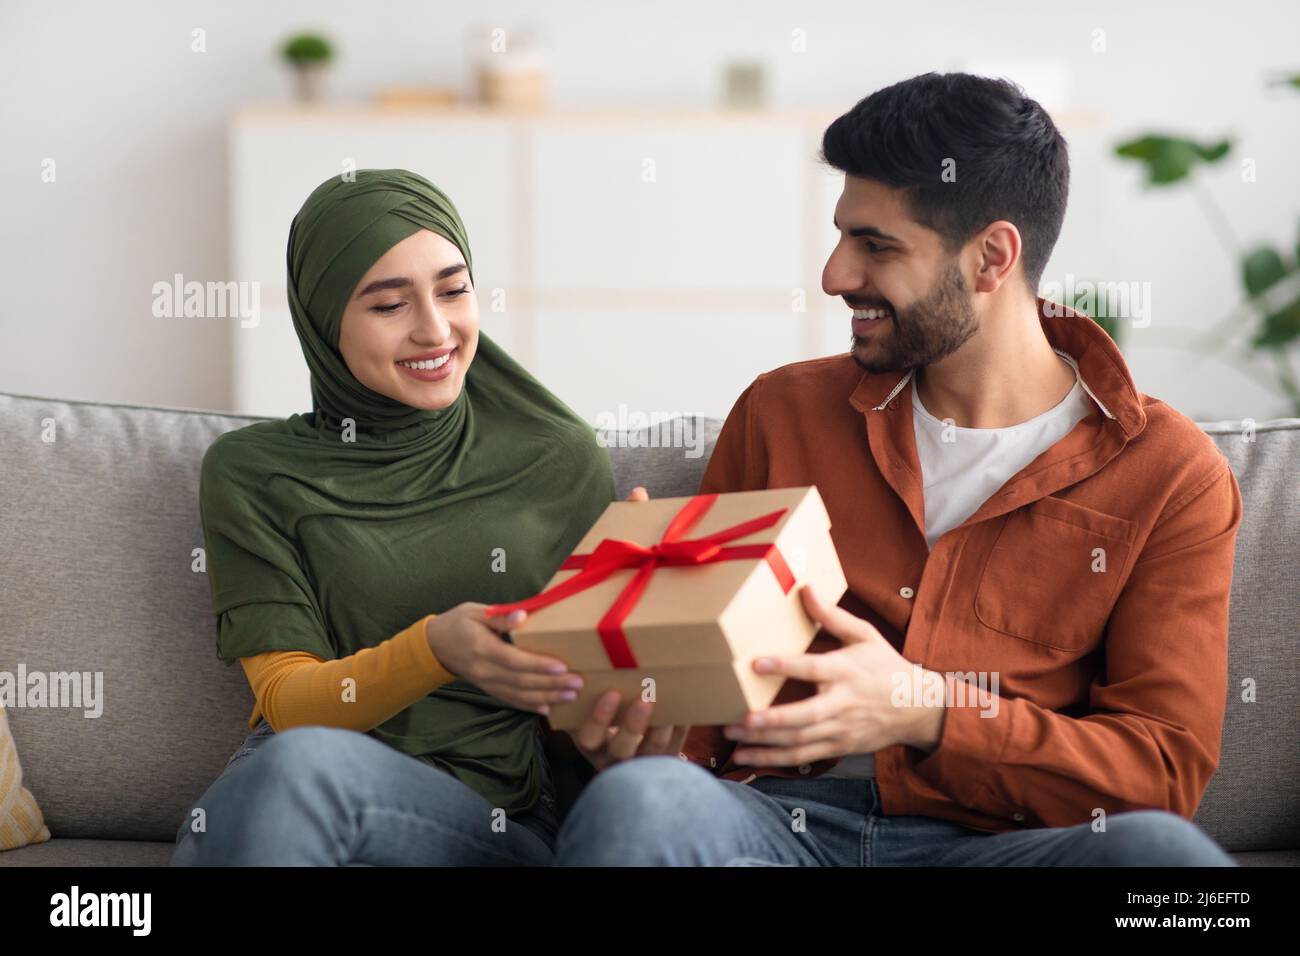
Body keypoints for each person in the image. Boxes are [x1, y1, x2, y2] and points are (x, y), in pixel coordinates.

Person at [551, 73, 1244, 866]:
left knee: (1166, 862)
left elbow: (1161, 774)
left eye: (876, 246)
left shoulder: (1168, 472)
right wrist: (633, 719)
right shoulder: (783, 414)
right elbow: (691, 738)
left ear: (991, 258)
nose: (835, 275)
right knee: (639, 805)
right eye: (843, 235)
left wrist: (925, 710)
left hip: (1003, 843)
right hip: (779, 826)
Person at [170, 168, 679, 866]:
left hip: (489, 818)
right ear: (323, 321)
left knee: (295, 779)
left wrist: (635, 614)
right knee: (294, 774)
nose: (435, 330)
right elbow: (288, 703)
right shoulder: (251, 473)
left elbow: (578, 719)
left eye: (454, 289)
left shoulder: (554, 457)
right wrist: (435, 648)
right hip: (292, 795)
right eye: (388, 305)